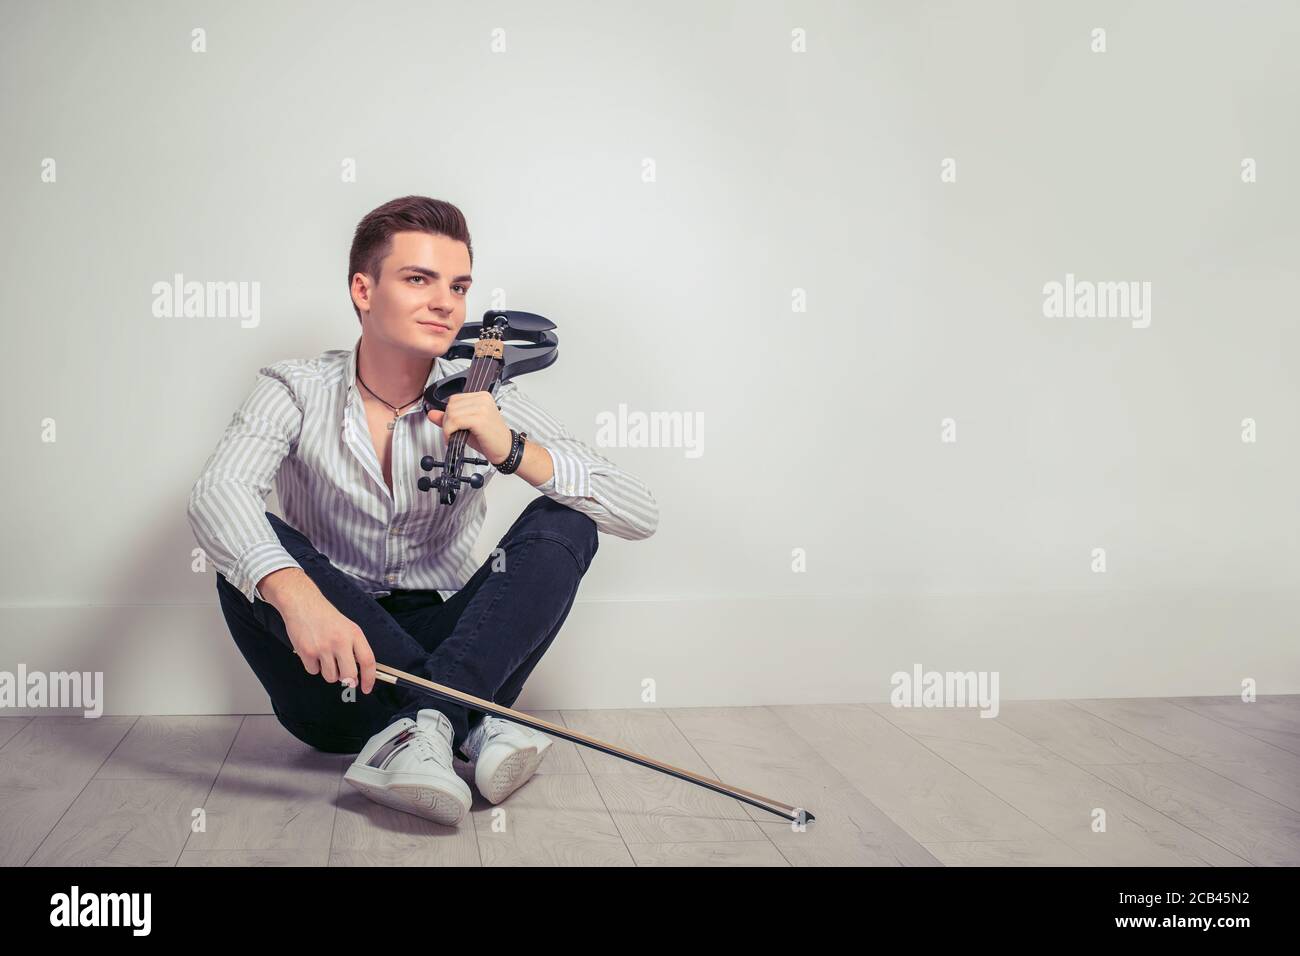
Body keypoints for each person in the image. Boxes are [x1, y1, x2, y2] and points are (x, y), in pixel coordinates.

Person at [186, 196, 658, 826]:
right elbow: (216, 493)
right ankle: (476, 724)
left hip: (454, 647)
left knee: (567, 517)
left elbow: (639, 511)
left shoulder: (485, 395)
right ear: (363, 288)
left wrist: (513, 449)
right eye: (418, 279)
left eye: (459, 286)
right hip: (331, 668)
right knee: (250, 548)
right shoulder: (295, 387)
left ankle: (429, 727)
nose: (445, 303)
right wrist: (296, 598)